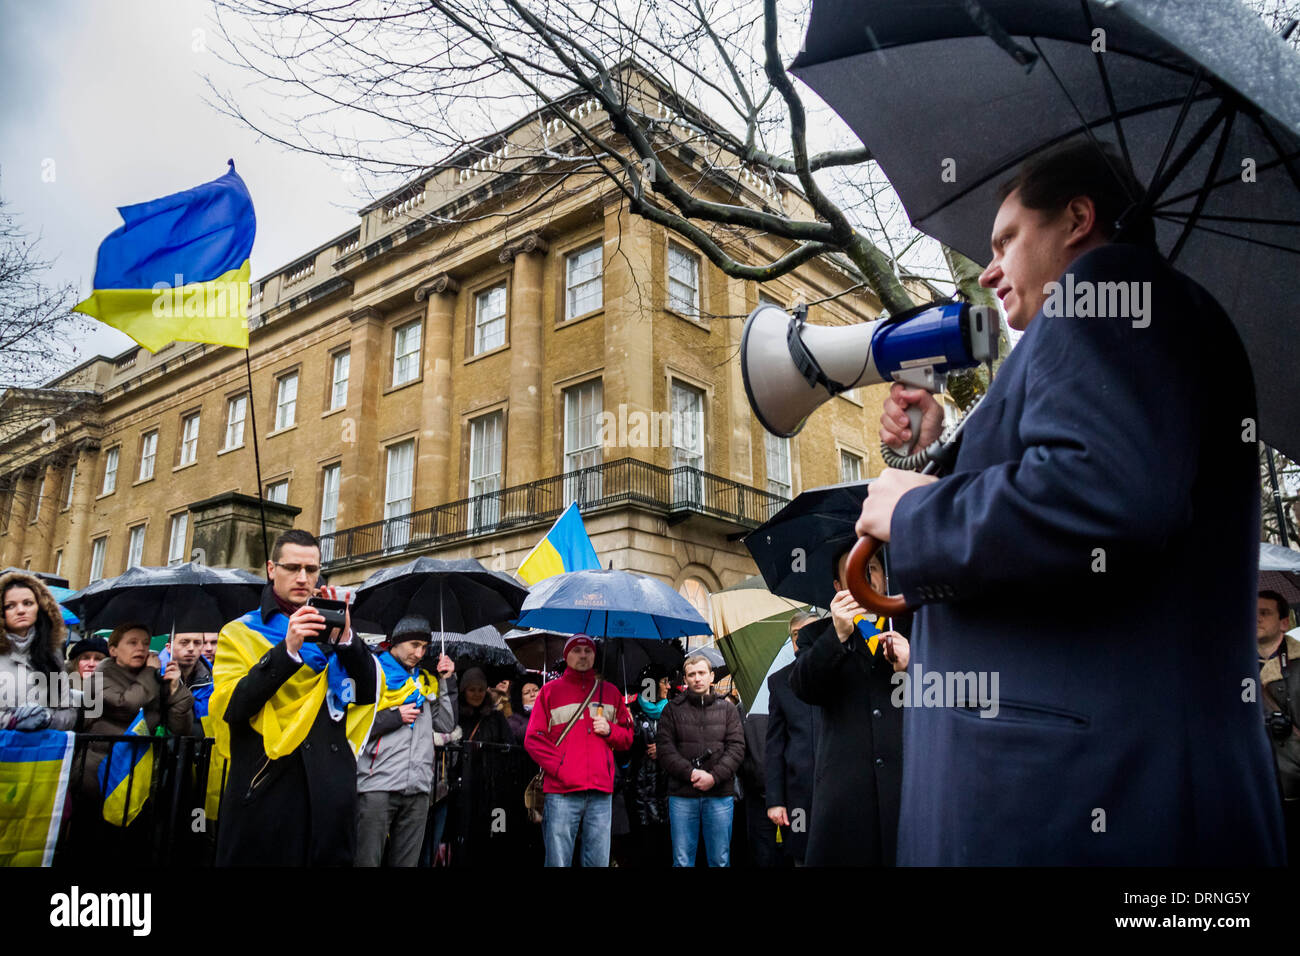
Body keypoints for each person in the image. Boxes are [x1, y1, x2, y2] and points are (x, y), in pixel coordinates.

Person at [860, 139, 1284, 864]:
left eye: (1006, 240)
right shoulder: (1122, 321)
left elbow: (1099, 496)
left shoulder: (1108, 290)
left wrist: (913, 516)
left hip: (1076, 798)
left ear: (1079, 218)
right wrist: (929, 458)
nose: (989, 269)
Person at [208, 528, 378, 866]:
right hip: (268, 785)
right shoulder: (240, 631)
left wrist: (347, 640)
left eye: (311, 570)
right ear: (272, 569)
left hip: (329, 794)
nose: (303, 578)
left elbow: (366, 693)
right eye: (292, 568)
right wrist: (286, 651)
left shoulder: (333, 631)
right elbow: (233, 706)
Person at [790, 550, 908, 866]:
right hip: (845, 799)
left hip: (907, 792)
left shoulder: (914, 628)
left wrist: (914, 665)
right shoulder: (816, 636)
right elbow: (804, 688)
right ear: (838, 586)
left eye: (871, 568)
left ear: (886, 577)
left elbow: (953, 694)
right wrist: (837, 634)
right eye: (854, 571)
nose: (865, 578)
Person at [356, 615, 457, 867]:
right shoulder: (372, 672)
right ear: (395, 642)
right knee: (367, 861)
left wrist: (448, 681)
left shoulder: (426, 680)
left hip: (419, 788)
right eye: (414, 644)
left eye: (424, 647)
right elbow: (353, 725)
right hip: (376, 784)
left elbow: (445, 725)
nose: (419, 653)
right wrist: (393, 717)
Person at [524, 634, 632, 867]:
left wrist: (611, 730)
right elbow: (533, 739)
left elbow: (627, 738)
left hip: (600, 791)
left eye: (588, 650)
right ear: (566, 655)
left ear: (594, 655)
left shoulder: (611, 693)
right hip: (561, 791)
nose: (583, 655)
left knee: (598, 860)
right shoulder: (549, 692)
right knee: (558, 860)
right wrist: (561, 767)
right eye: (577, 650)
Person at [655, 652, 746, 867]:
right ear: (685, 679)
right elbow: (665, 749)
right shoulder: (671, 710)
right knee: (682, 860)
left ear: (711, 676)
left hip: (719, 795)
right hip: (682, 795)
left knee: (720, 860)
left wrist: (714, 777)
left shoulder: (728, 709)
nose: (697, 678)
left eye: (702, 673)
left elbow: (736, 748)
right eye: (692, 674)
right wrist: (691, 773)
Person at [765, 610, 823, 865]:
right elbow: (774, 747)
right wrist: (775, 801)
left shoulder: (842, 671)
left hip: (840, 788)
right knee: (803, 857)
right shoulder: (779, 682)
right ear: (794, 639)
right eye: (800, 634)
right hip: (799, 795)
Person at [0, 571, 79, 731]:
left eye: (28, 603)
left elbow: (68, 712)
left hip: (38, 752)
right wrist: (13, 721)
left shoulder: (52, 653)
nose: (21, 610)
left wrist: (47, 718)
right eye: (10, 606)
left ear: (40, 607)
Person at [1258, 589, 1300, 862]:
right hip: (1261, 789)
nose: (1256, 619)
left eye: (1264, 612)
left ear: (1284, 622)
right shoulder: (1231, 666)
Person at [625, 672, 672, 867]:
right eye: (664, 681)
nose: (668, 687)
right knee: (644, 849)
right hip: (640, 792)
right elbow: (625, 748)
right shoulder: (632, 711)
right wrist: (627, 723)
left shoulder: (673, 710)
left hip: (666, 790)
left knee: (665, 848)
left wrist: (665, 749)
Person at [168, 632, 215, 723]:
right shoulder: (157, 675)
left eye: (197, 643)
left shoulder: (212, 678)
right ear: (169, 647)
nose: (191, 648)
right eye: (184, 642)